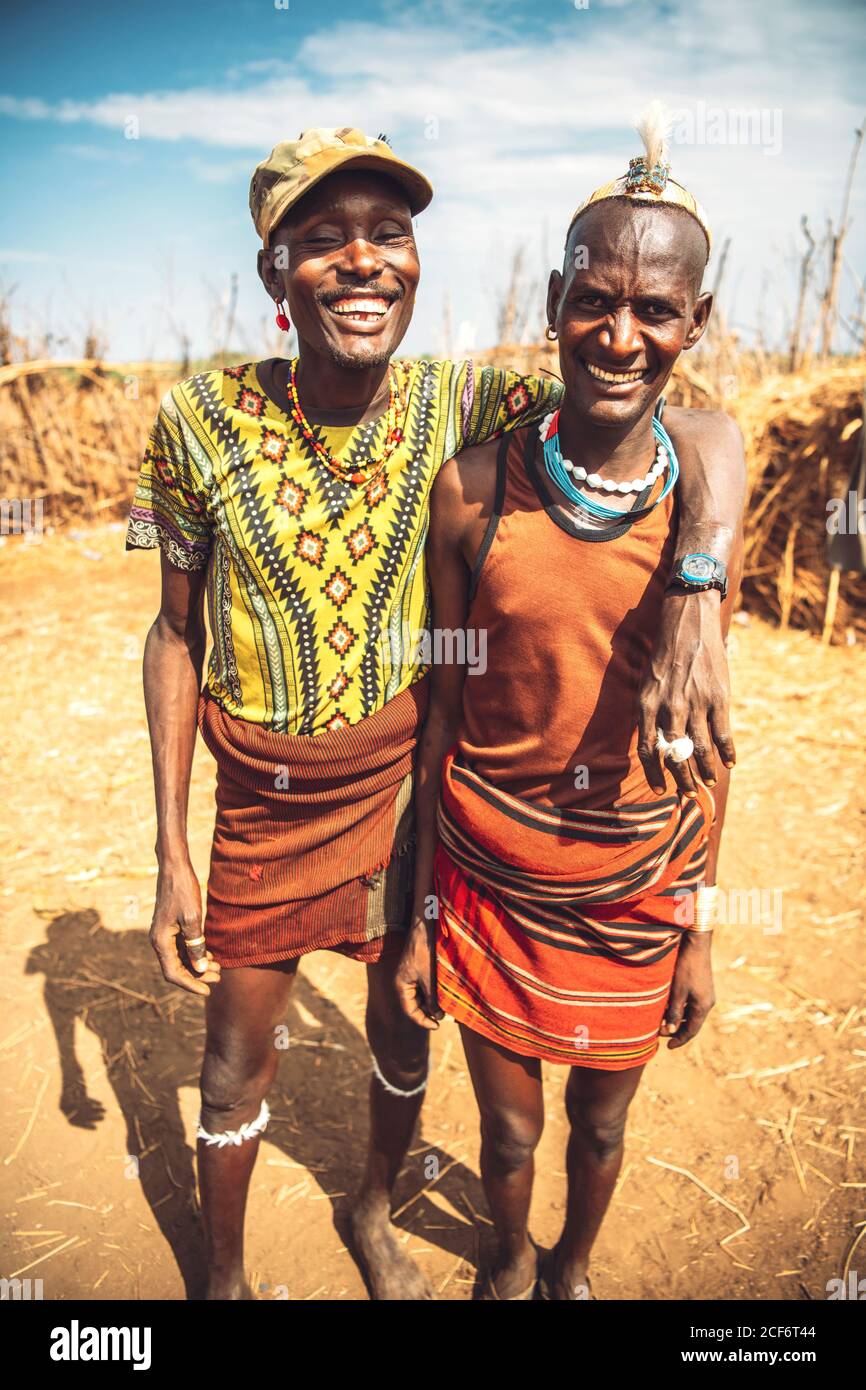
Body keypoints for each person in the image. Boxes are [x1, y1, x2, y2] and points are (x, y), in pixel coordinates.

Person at [126, 125, 744, 1300]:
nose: (363, 262)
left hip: (409, 791)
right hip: (263, 796)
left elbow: (698, 423)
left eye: (389, 235)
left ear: (416, 263)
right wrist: (169, 849)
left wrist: (703, 585)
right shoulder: (192, 422)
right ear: (273, 272)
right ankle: (219, 1280)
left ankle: (369, 1202)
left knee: (401, 1022)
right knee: (231, 1061)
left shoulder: (465, 403)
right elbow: (172, 632)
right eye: (323, 240)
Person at [397, 110, 744, 1300]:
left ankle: (573, 1266)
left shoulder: (704, 515)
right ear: (553, 299)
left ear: (692, 324)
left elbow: (709, 749)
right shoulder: (472, 490)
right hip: (491, 877)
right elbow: (439, 709)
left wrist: (698, 926)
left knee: (599, 1129)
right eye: (594, 297)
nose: (619, 332)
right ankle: (503, 1254)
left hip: (636, 888)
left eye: (655, 310)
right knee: (506, 1134)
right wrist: (417, 913)